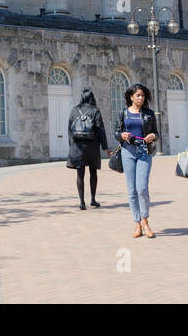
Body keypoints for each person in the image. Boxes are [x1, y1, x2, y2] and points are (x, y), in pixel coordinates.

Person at [115, 82, 158, 239]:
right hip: (128, 152)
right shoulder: (123, 113)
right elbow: (116, 132)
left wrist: (153, 136)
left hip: (144, 152)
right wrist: (121, 135)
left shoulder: (149, 113)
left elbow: (156, 133)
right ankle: (137, 223)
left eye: (143, 95)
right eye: (138, 95)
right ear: (131, 97)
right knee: (132, 190)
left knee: (142, 188)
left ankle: (145, 221)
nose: (141, 98)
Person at [66, 89, 108, 209]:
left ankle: (81, 202)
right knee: (93, 172)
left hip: (77, 146)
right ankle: (93, 200)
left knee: (80, 174)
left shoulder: (74, 110)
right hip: (92, 146)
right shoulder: (95, 111)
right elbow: (101, 130)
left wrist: (71, 145)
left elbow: (69, 129)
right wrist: (105, 147)